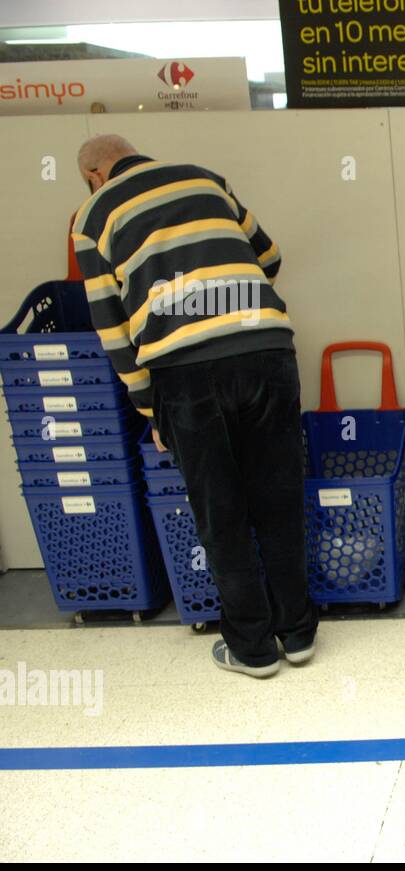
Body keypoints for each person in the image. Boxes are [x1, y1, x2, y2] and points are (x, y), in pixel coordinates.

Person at [73, 134, 317, 678]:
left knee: (220, 512)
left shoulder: (94, 214)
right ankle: (298, 635)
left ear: (93, 173)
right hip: (266, 348)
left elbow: (110, 323)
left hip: (184, 371)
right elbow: (270, 257)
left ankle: (252, 649)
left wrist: (146, 406)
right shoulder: (205, 176)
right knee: (278, 500)